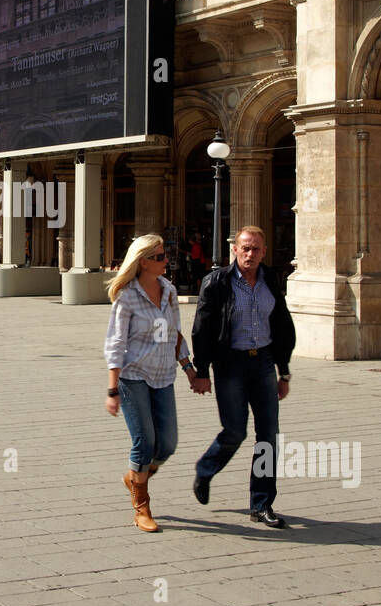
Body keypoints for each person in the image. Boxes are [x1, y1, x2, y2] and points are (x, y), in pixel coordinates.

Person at [190, 225, 296, 529]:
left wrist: (283, 370)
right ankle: (206, 469)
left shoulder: (270, 280)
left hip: (262, 363)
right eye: (245, 248)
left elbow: (281, 326)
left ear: (264, 252)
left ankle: (262, 504)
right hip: (230, 366)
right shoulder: (217, 282)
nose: (250, 254)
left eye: (256, 249)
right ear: (234, 250)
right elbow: (203, 330)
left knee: (269, 437)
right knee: (235, 432)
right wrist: (201, 372)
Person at [104, 233, 196, 532]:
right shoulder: (127, 295)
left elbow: (175, 334)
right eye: (159, 257)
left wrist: (189, 368)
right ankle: (142, 506)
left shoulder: (168, 290)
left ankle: (134, 476)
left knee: (167, 444)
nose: (165, 260)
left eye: (165, 255)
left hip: (163, 375)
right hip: (133, 377)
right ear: (142, 262)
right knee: (144, 443)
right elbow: (115, 342)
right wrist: (112, 389)